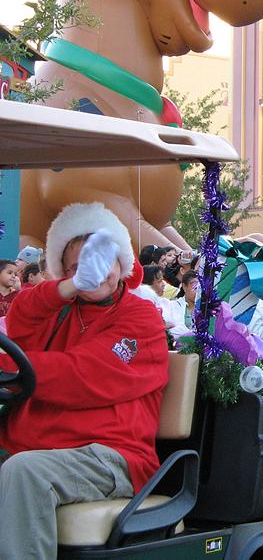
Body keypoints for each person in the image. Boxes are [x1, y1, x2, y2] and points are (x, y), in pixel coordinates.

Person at [0, 202, 168, 559]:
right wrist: (68, 287)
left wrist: (7, 365)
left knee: (26, 473)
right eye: (78, 267)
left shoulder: (142, 318)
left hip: (110, 453)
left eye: (101, 261)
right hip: (45, 444)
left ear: (121, 264)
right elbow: (21, 320)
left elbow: (83, 376)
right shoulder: (63, 309)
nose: (93, 273)